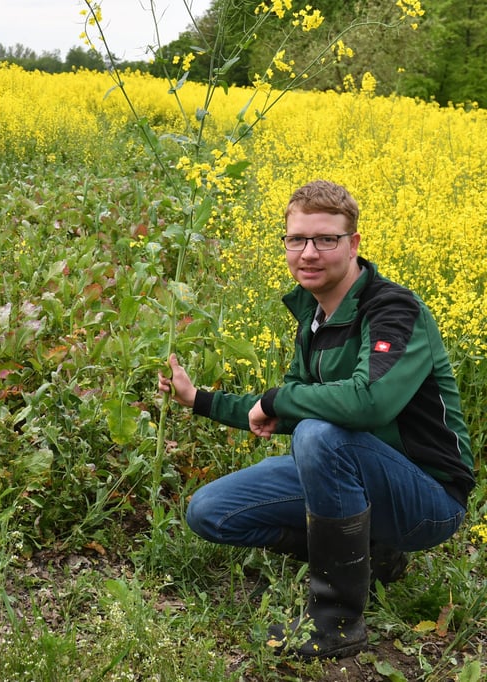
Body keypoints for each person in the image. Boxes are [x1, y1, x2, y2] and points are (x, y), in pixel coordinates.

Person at [158, 180, 474, 659]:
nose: (308, 252)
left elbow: (368, 405)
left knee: (319, 433)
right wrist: (200, 399)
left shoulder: (392, 310)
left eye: (326, 239)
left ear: (353, 244)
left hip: (426, 498)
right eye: (296, 239)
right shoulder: (314, 317)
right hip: (352, 472)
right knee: (211, 512)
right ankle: (369, 554)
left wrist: (280, 399)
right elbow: (289, 404)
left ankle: (337, 623)